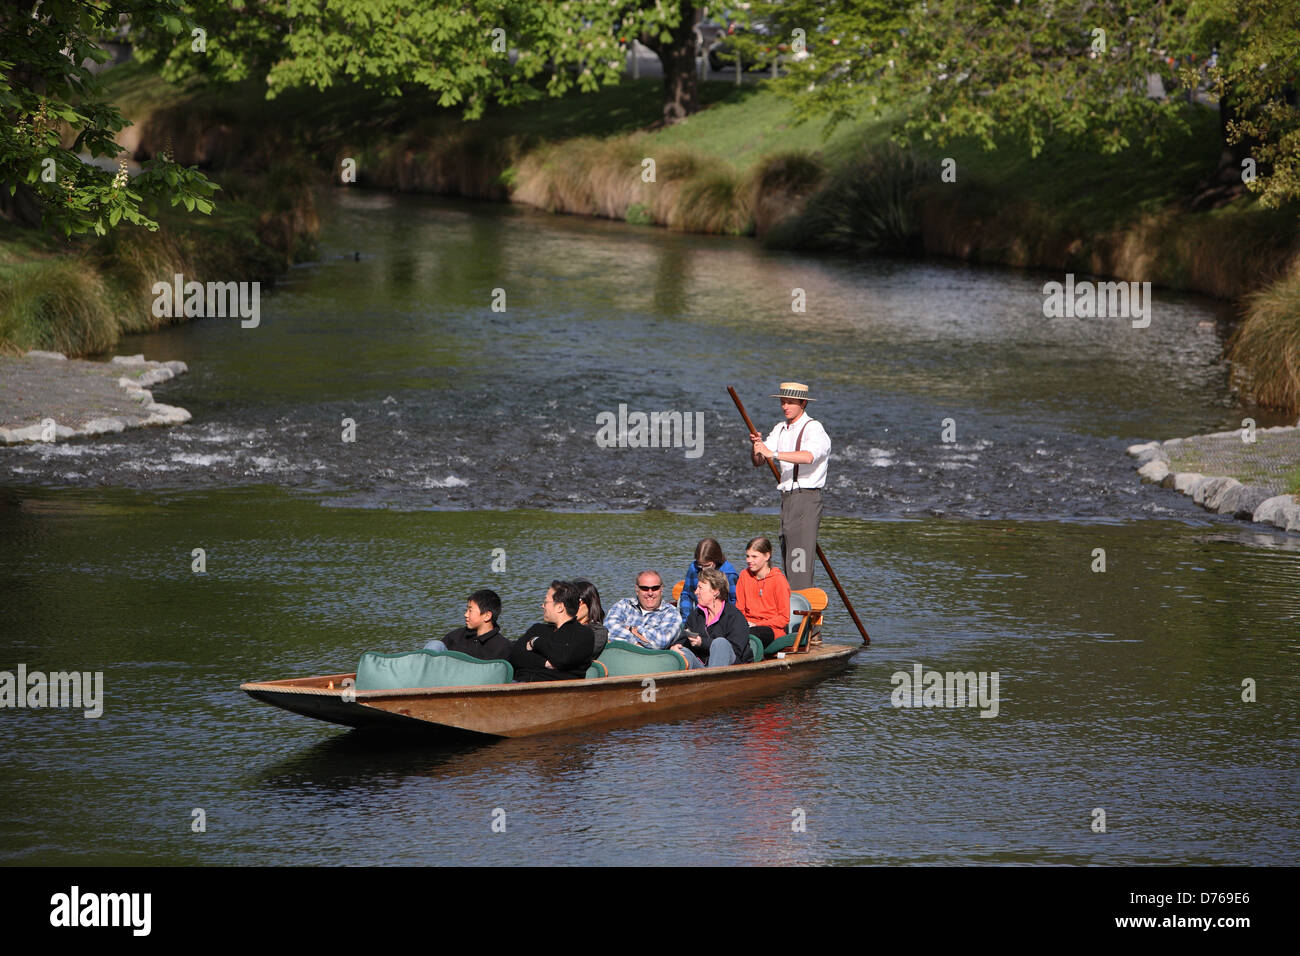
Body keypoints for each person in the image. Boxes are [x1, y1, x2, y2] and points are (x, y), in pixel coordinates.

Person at [750, 382, 830, 594]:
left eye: (790, 402)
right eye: (783, 402)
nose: (785, 406)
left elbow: (808, 456)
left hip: (806, 500)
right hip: (787, 500)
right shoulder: (780, 428)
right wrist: (757, 447)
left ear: (803, 403)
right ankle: (789, 611)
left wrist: (773, 454)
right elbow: (759, 461)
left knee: (799, 563)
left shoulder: (814, 428)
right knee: (788, 557)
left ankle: (801, 614)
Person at [508, 580, 597, 682]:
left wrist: (536, 642)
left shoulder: (583, 634)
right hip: (519, 687)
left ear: (559, 607)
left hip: (557, 692)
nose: (542, 606)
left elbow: (563, 658)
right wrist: (543, 662)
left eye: (546, 602)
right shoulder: (537, 629)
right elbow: (515, 655)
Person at [670, 567, 751, 669]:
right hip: (702, 667)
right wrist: (676, 646)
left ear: (715, 591)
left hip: (732, 670)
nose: (695, 592)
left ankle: (713, 681)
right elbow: (683, 639)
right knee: (682, 652)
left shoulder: (734, 617)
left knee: (720, 643)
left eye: (700, 588)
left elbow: (735, 651)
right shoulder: (695, 616)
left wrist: (702, 643)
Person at [735, 536, 790, 653]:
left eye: (754, 556)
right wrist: (743, 623)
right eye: (747, 556)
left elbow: (784, 618)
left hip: (770, 629)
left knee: (751, 634)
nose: (749, 560)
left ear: (767, 556)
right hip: (747, 625)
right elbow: (740, 609)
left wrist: (757, 624)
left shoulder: (778, 580)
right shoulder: (744, 575)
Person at [423, 589, 512, 660]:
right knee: (435, 645)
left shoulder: (502, 646)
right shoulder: (456, 636)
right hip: (447, 679)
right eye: (467, 610)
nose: (465, 614)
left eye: (470, 610)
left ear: (487, 616)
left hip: (477, 681)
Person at [604, 570, 683, 649]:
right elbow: (608, 629)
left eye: (655, 588)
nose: (650, 593)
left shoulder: (671, 613)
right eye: (645, 588)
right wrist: (637, 643)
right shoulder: (623, 605)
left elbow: (661, 642)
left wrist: (632, 629)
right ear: (637, 589)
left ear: (661, 589)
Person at [677, 538, 740, 623]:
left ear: (716, 560)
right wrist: (687, 619)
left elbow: (734, 601)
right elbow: (687, 594)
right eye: (700, 565)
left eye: (707, 565)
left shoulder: (729, 574)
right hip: (698, 616)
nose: (703, 570)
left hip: (722, 620)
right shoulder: (693, 568)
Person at [573, 579, 608, 657]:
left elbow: (579, 654)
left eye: (576, 602)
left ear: (590, 603)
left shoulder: (598, 632)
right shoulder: (561, 627)